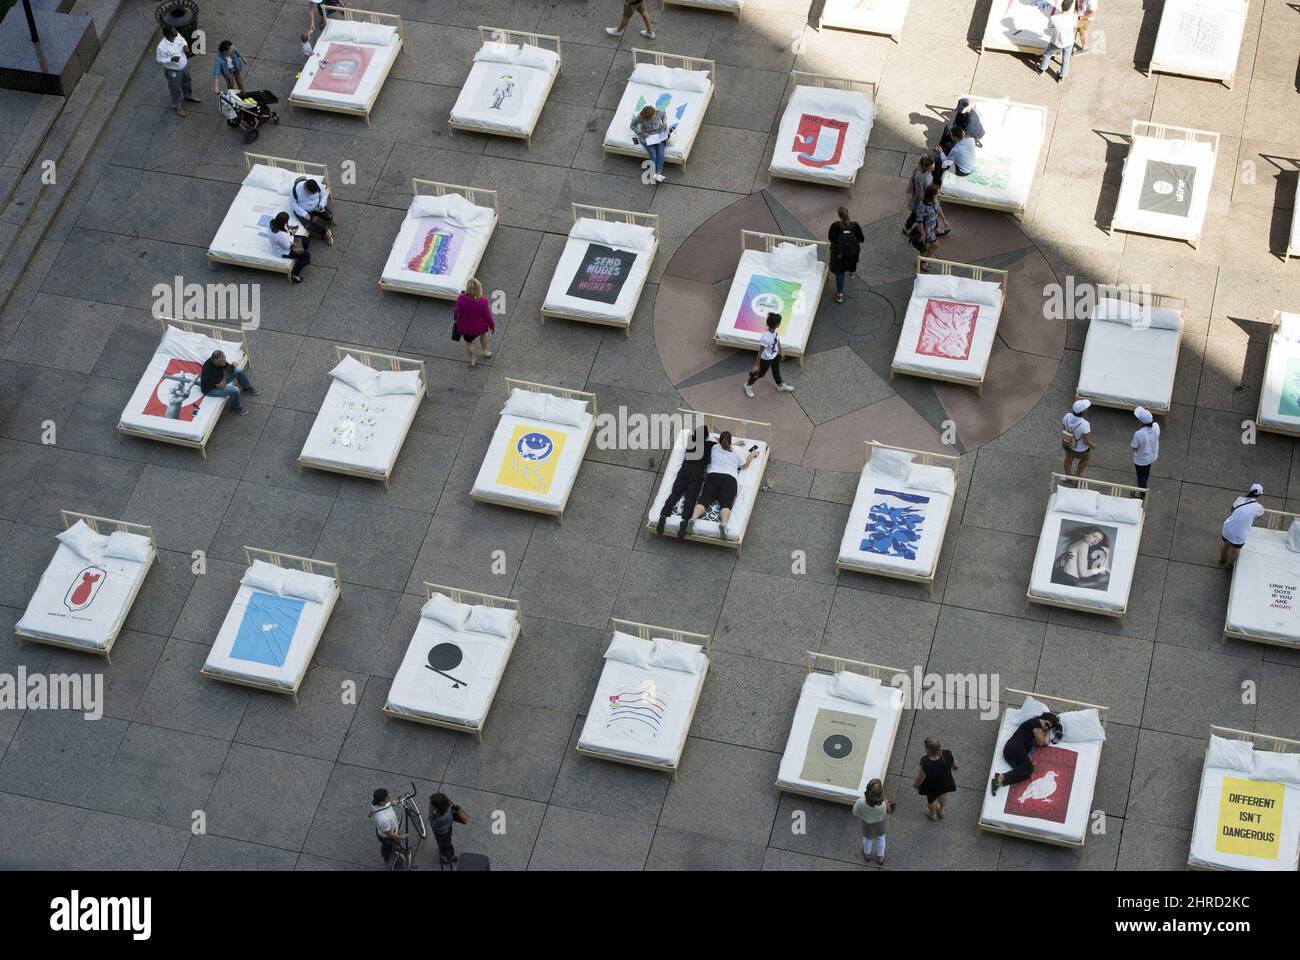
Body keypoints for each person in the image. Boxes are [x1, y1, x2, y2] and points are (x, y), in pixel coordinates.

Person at [689, 431, 758, 542]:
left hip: (713, 477)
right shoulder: (737, 450)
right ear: (730, 442)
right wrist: (752, 455)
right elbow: (744, 466)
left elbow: (720, 443)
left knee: (703, 501)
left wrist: (732, 444)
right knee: (726, 503)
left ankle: (693, 518)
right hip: (729, 479)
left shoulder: (715, 448)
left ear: (720, 441)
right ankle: (723, 523)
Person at [657, 423, 715, 538]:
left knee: (675, 494)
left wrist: (694, 434)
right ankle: (685, 520)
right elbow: (721, 444)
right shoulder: (710, 445)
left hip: (685, 469)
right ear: (706, 436)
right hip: (697, 472)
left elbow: (690, 433)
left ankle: (663, 516)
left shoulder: (690, 440)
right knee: (691, 497)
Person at [990, 712, 1061, 795]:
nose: (1045, 727)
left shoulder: (1039, 728)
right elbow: (1042, 742)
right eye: (1046, 724)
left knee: (1026, 773)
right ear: (1042, 718)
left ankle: (1000, 782)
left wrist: (1049, 731)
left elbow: (1045, 742)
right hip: (1016, 746)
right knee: (1029, 769)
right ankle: (1000, 777)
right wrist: (1047, 731)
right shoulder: (1036, 722)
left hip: (1010, 753)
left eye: (1048, 727)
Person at [744, 312, 795, 398]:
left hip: (774, 355)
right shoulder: (766, 338)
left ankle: (780, 385)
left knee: (776, 370)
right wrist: (757, 365)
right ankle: (748, 385)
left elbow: (777, 339)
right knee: (760, 374)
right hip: (766, 359)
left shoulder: (774, 330)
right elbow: (760, 352)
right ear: (778, 324)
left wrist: (781, 351)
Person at [156, 25, 200, 118]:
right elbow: (159, 60)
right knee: (175, 89)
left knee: (187, 81)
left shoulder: (177, 35)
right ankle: (177, 106)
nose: (176, 31)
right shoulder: (162, 47)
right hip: (173, 71)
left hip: (183, 66)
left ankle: (188, 96)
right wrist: (171, 59)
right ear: (169, 35)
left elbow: (182, 40)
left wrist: (185, 46)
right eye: (174, 31)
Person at [1219, 483, 1266, 567]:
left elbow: (1232, 510)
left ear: (1250, 490)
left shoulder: (1240, 499)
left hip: (1228, 528)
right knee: (1235, 551)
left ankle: (1222, 560)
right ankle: (1228, 566)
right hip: (1239, 535)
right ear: (1259, 495)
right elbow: (1258, 517)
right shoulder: (1259, 507)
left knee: (1225, 546)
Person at [913, 737, 958, 822]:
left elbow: (920, 777)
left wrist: (915, 785)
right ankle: (941, 811)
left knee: (931, 800)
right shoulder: (948, 753)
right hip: (945, 782)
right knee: (943, 795)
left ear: (928, 750)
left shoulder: (925, 761)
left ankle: (932, 814)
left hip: (931, 785)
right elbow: (956, 765)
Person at [200, 349, 256, 416]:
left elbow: (229, 368)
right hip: (211, 389)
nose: (224, 362)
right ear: (215, 360)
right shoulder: (209, 370)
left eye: (224, 359)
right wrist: (225, 374)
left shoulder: (221, 361)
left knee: (238, 371)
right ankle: (235, 408)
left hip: (220, 378)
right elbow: (222, 386)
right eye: (221, 361)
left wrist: (232, 366)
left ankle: (247, 388)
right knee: (235, 390)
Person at [453, 277, 495, 366]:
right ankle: (484, 351)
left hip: (465, 327)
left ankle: (472, 359)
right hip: (480, 326)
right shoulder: (483, 301)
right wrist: (492, 326)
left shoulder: (461, 298)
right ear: (479, 289)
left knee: (469, 342)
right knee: (484, 334)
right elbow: (487, 315)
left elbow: (456, 311)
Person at [852, 779, 894, 865]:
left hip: (867, 825)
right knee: (881, 838)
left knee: (867, 838)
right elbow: (889, 811)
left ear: (867, 790)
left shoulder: (860, 802)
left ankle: (867, 855)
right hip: (881, 825)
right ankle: (880, 857)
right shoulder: (884, 803)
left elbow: (855, 812)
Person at [827, 207, 864, 303]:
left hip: (840, 254)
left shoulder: (835, 226)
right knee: (852, 259)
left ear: (839, 215)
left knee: (840, 272)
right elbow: (861, 239)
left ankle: (840, 295)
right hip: (853, 252)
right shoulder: (854, 225)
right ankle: (852, 273)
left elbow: (831, 239)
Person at [630, 104, 672, 183]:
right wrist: (641, 132)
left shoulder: (659, 111)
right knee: (653, 153)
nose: (650, 120)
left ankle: (658, 173)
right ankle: (656, 173)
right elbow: (632, 126)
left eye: (651, 118)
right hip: (647, 137)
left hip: (659, 134)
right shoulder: (640, 117)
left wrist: (664, 123)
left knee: (660, 152)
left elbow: (664, 116)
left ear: (654, 114)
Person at [1038, 0, 1078, 83]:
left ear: (1061, 6)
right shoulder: (1074, 17)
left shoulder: (1054, 18)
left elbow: (1050, 26)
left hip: (1057, 42)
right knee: (1066, 59)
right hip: (1069, 42)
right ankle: (1061, 77)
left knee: (1047, 54)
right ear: (1070, 8)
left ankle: (1041, 69)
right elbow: (1075, 26)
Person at [289, 178, 337, 245]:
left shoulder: (317, 186)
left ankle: (329, 217)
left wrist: (322, 203)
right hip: (304, 210)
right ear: (306, 189)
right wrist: (304, 213)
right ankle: (325, 233)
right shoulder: (295, 191)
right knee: (308, 225)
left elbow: (323, 195)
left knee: (328, 216)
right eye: (312, 193)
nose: (314, 193)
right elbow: (293, 204)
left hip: (317, 206)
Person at [268, 212, 311, 282]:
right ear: (282, 223)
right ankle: (295, 275)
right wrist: (292, 233)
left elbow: (286, 233)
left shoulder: (272, 222)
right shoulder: (279, 235)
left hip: (287, 239)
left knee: (306, 240)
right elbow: (288, 246)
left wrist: (290, 230)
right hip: (284, 251)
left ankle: (301, 257)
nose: (287, 223)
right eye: (286, 221)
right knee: (307, 255)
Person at [428, 792, 468, 867]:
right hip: (448, 829)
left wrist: (430, 813)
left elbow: (432, 824)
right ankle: (450, 854)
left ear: (437, 807)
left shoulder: (440, 819)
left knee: (444, 845)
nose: (429, 803)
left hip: (441, 833)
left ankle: (449, 858)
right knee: (448, 842)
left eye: (431, 803)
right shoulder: (448, 807)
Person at [369, 788, 406, 865]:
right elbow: (389, 834)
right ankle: (387, 858)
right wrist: (400, 837)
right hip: (386, 836)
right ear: (382, 802)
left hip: (389, 828)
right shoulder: (383, 819)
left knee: (393, 844)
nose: (389, 798)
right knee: (387, 848)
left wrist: (393, 802)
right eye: (387, 798)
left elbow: (374, 808)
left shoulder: (375, 801)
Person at [1130, 406, 1159, 496]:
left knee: (1141, 477)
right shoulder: (1156, 426)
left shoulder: (1139, 434)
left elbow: (1134, 447)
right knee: (1146, 472)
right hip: (1152, 456)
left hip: (1141, 460)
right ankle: (1142, 486)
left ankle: (1142, 494)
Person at [1060, 398, 1094, 477]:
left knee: (1068, 460)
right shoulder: (1085, 424)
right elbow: (1086, 441)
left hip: (1067, 444)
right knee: (1085, 459)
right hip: (1080, 449)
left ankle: (1068, 475)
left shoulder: (1067, 416)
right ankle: (1078, 475)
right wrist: (1092, 445)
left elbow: (1064, 429)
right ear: (1084, 411)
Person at [902, 155, 934, 235]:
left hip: (926, 198)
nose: (933, 169)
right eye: (931, 168)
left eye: (933, 166)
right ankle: (906, 229)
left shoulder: (927, 172)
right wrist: (925, 203)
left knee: (916, 216)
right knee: (914, 216)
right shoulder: (920, 177)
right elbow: (919, 194)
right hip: (920, 201)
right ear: (925, 167)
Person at [909, 184, 942, 257]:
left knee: (926, 247)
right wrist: (923, 234)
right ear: (932, 195)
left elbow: (938, 208)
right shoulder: (922, 206)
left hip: (931, 228)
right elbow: (919, 222)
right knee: (935, 245)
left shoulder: (935, 201)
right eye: (937, 193)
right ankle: (923, 261)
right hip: (926, 230)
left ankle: (923, 260)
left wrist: (944, 220)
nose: (939, 194)